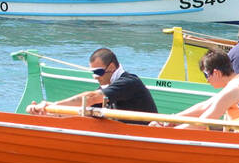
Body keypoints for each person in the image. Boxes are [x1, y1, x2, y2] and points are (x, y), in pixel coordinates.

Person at [27, 48, 157, 119]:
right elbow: (81, 111)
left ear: (111, 67)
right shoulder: (107, 89)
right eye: (93, 72)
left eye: (98, 72)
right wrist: (46, 110)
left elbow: (90, 98)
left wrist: (53, 106)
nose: (95, 77)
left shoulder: (129, 82)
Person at [172, 49, 239, 125]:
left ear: (217, 73)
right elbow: (205, 106)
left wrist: (170, 131)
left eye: (206, 75)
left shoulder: (234, 89)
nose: (207, 80)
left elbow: (203, 123)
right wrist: (172, 119)